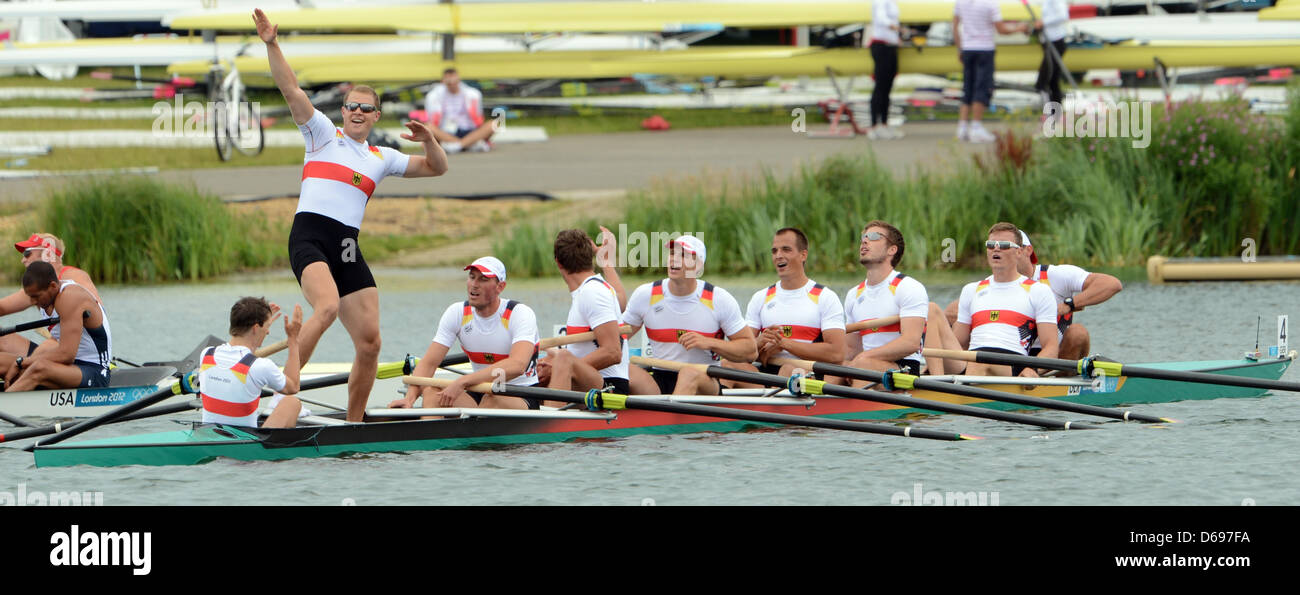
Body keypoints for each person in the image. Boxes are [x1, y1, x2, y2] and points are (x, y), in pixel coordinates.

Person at [254, 9, 449, 422]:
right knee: (324, 308)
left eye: (366, 108)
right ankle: (282, 391)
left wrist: (430, 139)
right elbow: (290, 89)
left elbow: (437, 168)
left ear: (377, 116)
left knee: (371, 342)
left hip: (345, 247)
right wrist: (272, 43)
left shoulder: (382, 157)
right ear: (343, 112)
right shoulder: (322, 134)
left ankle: (354, 423)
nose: (358, 112)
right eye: (351, 106)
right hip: (309, 237)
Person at [390, 257, 543, 410]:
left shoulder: (519, 313)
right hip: (479, 390)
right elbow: (429, 363)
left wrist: (464, 381)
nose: (474, 285)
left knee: (492, 400)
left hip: (520, 393)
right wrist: (410, 399)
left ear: (500, 287)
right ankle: (432, 432)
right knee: (432, 393)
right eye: (472, 277)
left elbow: (517, 365)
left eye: (483, 279)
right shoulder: (457, 313)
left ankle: (469, 428)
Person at [622, 235, 757, 395]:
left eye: (684, 256)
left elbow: (751, 351)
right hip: (659, 379)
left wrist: (709, 343)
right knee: (621, 368)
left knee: (689, 373)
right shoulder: (646, 294)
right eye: (672, 254)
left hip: (704, 379)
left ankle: (669, 417)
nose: (675, 260)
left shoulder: (718, 299)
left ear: (698, 265)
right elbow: (616, 338)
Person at [839, 221, 965, 383]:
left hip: (903, 368)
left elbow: (910, 343)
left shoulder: (908, 287)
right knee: (832, 368)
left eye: (874, 237)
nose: (865, 241)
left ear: (892, 250)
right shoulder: (853, 295)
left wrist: (863, 358)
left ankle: (857, 405)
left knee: (863, 364)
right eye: (863, 237)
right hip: (867, 364)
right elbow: (851, 348)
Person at [723, 228, 845, 387]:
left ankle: (770, 406)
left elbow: (837, 353)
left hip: (808, 376)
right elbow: (744, 350)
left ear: (803, 255)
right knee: (726, 364)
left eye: (786, 249)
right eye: (774, 251)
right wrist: (758, 343)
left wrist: (784, 344)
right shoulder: (761, 297)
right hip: (767, 375)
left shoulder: (825, 297)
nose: (778, 255)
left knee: (788, 369)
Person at [952, 223, 1059, 377]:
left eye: (1004, 245)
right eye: (990, 245)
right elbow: (957, 343)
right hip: (973, 361)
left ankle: (954, 393)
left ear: (1019, 252)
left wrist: (1034, 370)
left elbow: (1051, 347)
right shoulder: (971, 289)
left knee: (979, 363)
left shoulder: (1038, 291)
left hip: (1012, 364)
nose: (996, 249)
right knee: (933, 312)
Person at [541, 229, 631, 400]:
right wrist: (606, 261)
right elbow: (621, 302)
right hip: (591, 380)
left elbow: (613, 352)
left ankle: (548, 423)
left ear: (558, 262)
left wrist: (562, 369)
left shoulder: (592, 292)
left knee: (563, 360)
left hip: (609, 387)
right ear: (589, 258)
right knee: (546, 360)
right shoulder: (597, 289)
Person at [1, 262, 111, 391]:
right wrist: (22, 362)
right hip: (65, 368)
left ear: (53, 286)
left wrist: (22, 362)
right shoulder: (43, 294)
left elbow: (66, 355)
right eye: (31, 297)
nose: (33, 302)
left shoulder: (70, 296)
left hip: (94, 371)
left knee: (38, 367)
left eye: (36, 297)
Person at [1015, 230, 1122, 361]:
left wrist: (1069, 305)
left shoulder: (1054, 275)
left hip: (1056, 358)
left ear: (1028, 250)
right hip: (1012, 353)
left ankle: (1059, 377)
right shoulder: (991, 285)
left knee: (1078, 333)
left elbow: (1111, 284)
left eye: (1014, 249)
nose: (1007, 255)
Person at [198, 297, 303, 429]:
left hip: (208, 438)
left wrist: (260, 317)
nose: (268, 331)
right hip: (243, 445)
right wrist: (293, 340)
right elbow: (293, 387)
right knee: (291, 402)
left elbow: (241, 360)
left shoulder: (207, 355)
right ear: (255, 328)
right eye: (267, 326)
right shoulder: (262, 367)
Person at [0, 233, 101, 357]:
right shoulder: (37, 289)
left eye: (27, 253)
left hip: (84, 355)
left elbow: (96, 314)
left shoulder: (74, 277)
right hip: (57, 349)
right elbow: (2, 308)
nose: (23, 259)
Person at [953, 0, 1031, 143]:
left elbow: (955, 26)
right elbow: (1001, 29)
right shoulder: (990, 3)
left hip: (968, 48)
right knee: (981, 88)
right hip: (985, 48)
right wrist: (1019, 28)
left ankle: (962, 127)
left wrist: (960, 48)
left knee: (968, 87)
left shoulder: (960, 2)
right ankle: (976, 127)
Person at [423, 68, 496, 153]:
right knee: (428, 127)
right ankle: (469, 144)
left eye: (453, 79)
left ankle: (458, 145)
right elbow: (431, 119)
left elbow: (478, 116)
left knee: (494, 124)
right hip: (446, 132)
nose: (451, 83)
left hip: (469, 130)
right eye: (449, 81)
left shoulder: (472, 94)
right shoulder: (434, 95)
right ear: (443, 81)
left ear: (458, 79)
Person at [868, 0, 903, 140]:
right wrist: (896, 28)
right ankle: (874, 126)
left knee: (887, 87)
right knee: (880, 87)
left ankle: (884, 123)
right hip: (881, 46)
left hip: (891, 46)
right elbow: (881, 19)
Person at [1032, 0, 1071, 111]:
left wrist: (1044, 22)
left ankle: (1052, 113)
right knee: (1052, 80)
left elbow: (1063, 15)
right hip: (1048, 42)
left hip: (1055, 42)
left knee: (1046, 79)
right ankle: (1054, 114)